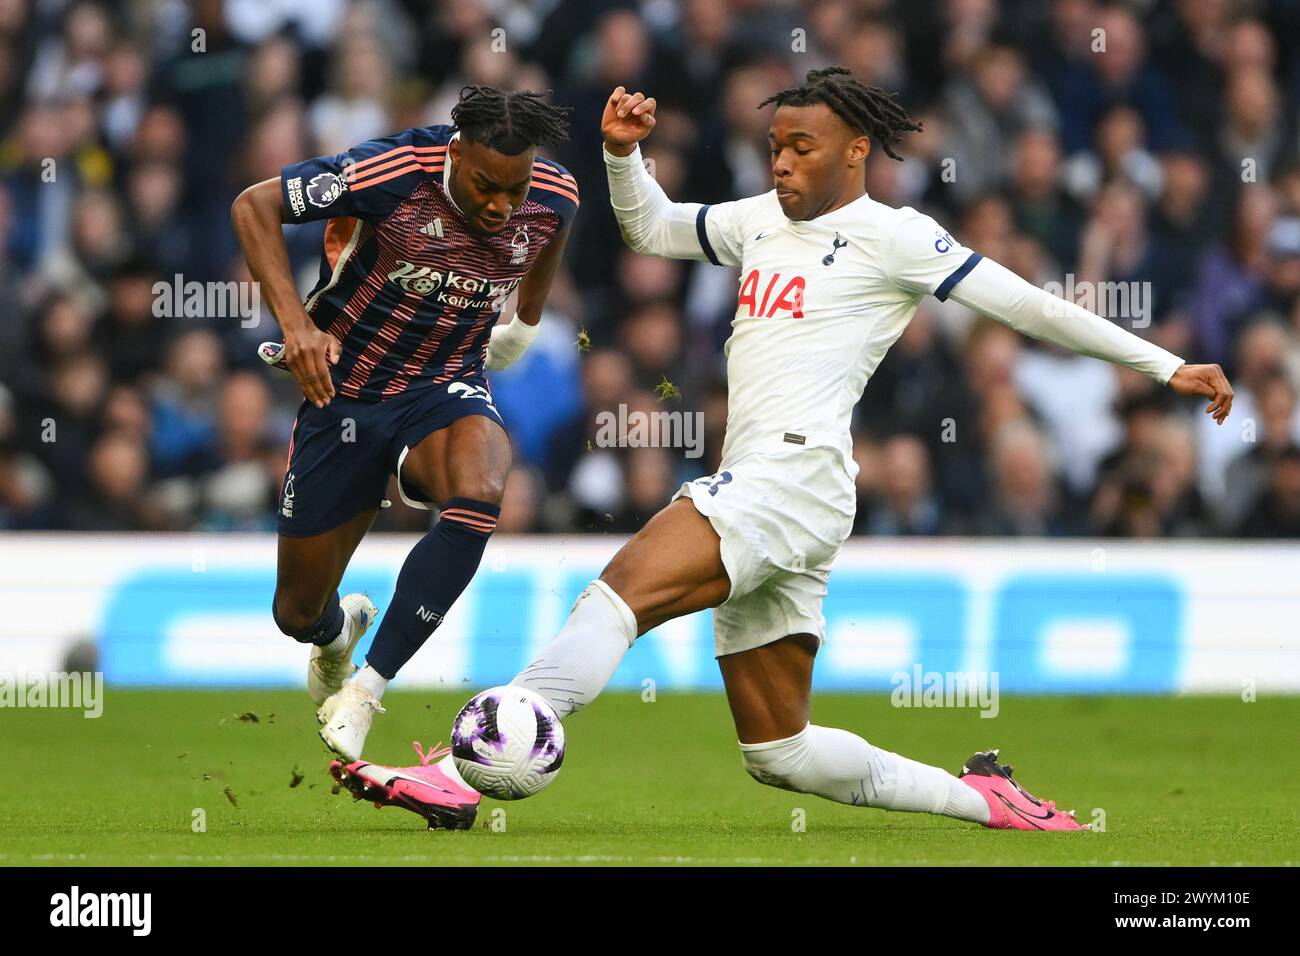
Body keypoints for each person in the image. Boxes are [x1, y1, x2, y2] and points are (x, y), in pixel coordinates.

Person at [332, 68, 1232, 831]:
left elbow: (1031, 305)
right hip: (775, 486)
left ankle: (459, 771)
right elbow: (653, 228)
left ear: (854, 151)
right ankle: (985, 799)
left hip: (791, 477)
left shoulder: (898, 236)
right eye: (776, 146)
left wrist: (1164, 366)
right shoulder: (761, 220)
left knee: (616, 597)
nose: (784, 161)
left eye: (803, 147)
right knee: (780, 752)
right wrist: (620, 156)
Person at [231, 86, 579, 762]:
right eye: (484, 185)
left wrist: (526, 323)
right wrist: (297, 326)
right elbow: (254, 206)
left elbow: (550, 231)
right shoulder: (390, 173)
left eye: (513, 189)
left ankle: (364, 691)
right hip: (344, 392)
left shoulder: (551, 194)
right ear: (455, 153)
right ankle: (338, 634)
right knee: (296, 612)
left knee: (481, 482)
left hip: (443, 388)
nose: (500, 206)